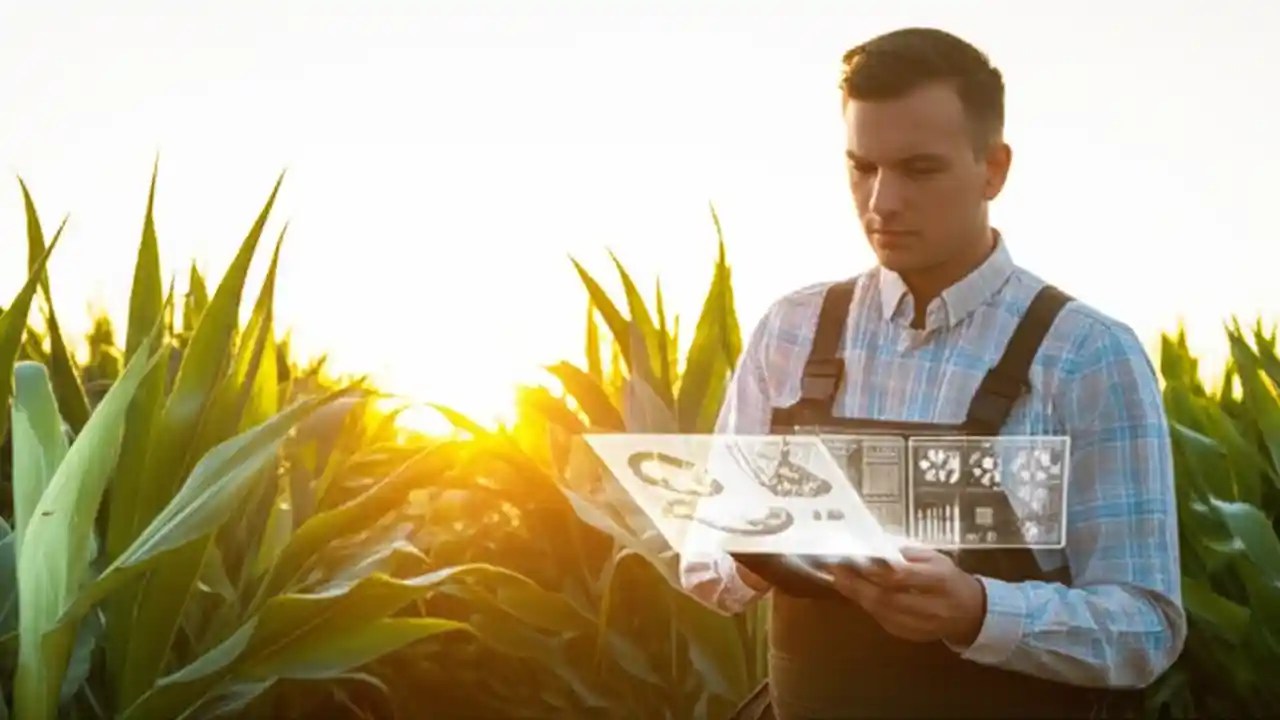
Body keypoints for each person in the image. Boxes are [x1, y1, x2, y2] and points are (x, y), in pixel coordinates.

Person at [678, 27, 1186, 719]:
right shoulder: (789, 333)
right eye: (862, 167)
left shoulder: (1086, 356)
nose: (881, 202)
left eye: (919, 169)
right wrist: (758, 546)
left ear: (994, 170)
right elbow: (705, 553)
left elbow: (1145, 628)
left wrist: (977, 612)